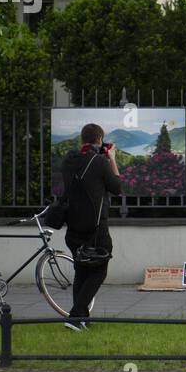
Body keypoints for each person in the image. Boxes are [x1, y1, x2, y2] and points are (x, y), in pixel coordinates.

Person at [60, 123, 123, 331]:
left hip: (73, 226)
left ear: (82, 140)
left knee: (82, 270)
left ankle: (82, 318)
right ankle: (75, 316)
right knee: (99, 271)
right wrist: (112, 158)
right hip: (95, 229)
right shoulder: (100, 162)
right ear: (99, 139)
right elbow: (117, 187)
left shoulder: (69, 160)